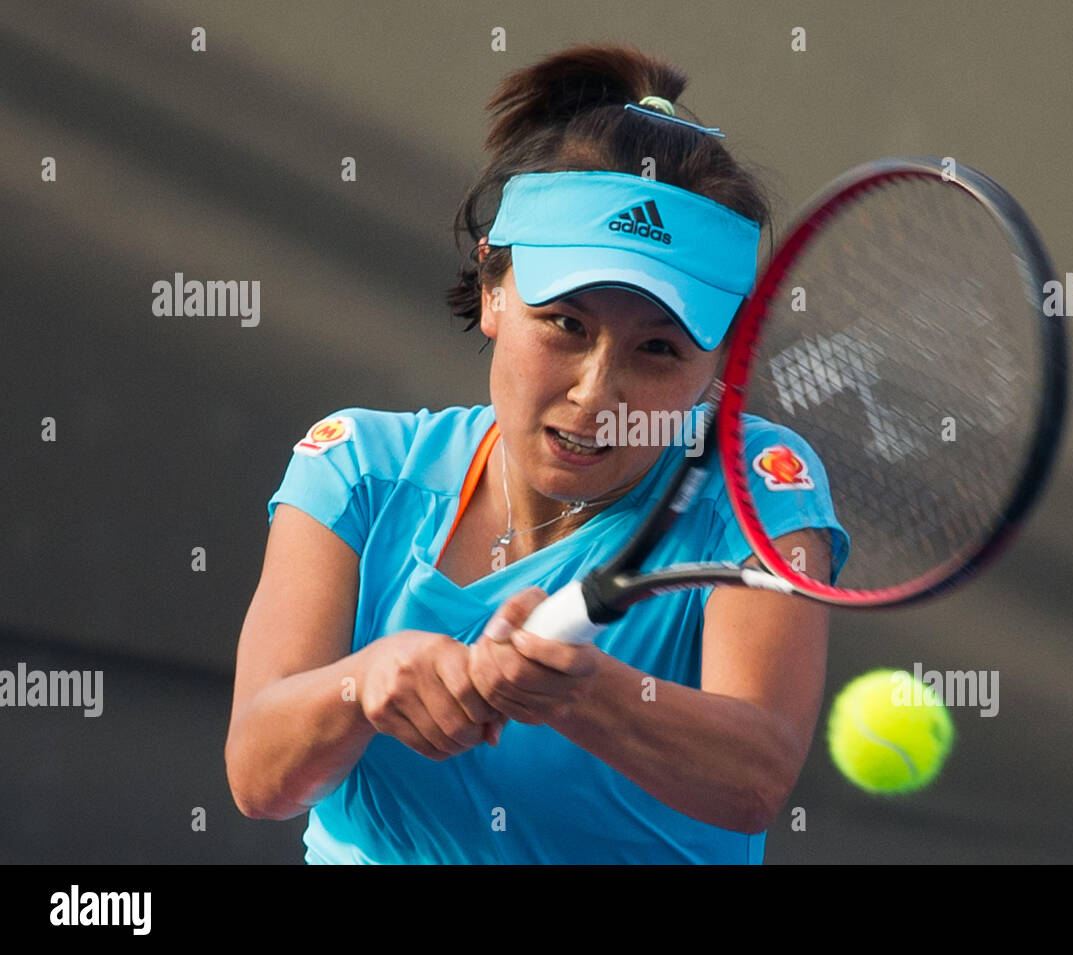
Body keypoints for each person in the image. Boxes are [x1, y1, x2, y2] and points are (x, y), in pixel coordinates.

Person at [225, 43, 848, 864]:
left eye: (658, 349)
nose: (598, 392)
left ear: (720, 366)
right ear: (492, 289)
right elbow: (259, 778)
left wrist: (586, 694)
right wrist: (364, 681)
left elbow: (756, 774)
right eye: (567, 324)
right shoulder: (356, 468)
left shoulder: (755, 487)